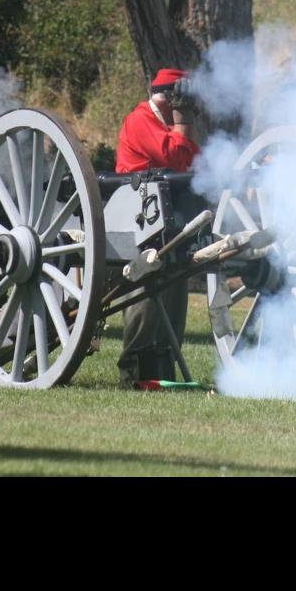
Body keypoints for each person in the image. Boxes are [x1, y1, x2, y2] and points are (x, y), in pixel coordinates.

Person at [114, 67, 200, 387]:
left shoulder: (172, 122)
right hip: (136, 216)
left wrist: (184, 122)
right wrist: (184, 121)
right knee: (144, 288)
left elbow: (195, 163)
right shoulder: (140, 120)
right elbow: (176, 159)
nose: (181, 104)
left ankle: (162, 367)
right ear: (161, 97)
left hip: (166, 217)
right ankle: (133, 368)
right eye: (176, 98)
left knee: (176, 285)